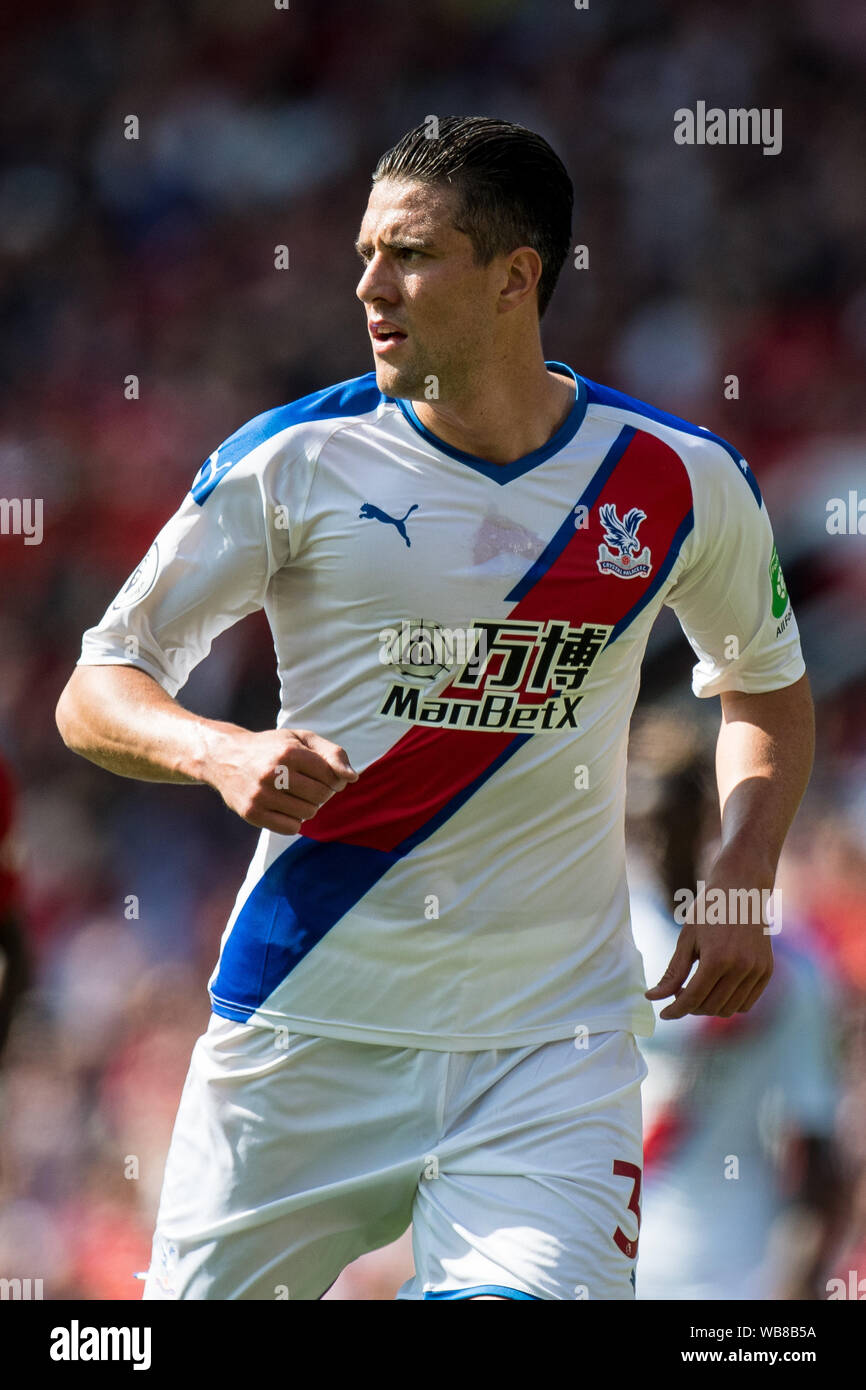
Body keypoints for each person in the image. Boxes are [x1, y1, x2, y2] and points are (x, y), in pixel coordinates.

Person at [55, 116, 814, 1301]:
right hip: (306, 1025)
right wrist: (216, 750)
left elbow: (763, 686)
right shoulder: (289, 464)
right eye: (362, 253)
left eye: (407, 254)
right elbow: (97, 686)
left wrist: (739, 872)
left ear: (515, 277)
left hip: (547, 1046)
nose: (367, 286)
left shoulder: (672, 477)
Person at [626, 718, 844, 1300]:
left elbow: (821, 1150)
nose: (658, 847)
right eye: (643, 828)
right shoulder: (601, 949)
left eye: (674, 823)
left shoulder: (787, 961)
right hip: (604, 1264)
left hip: (735, 1274)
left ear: (711, 820)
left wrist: (798, 1289)